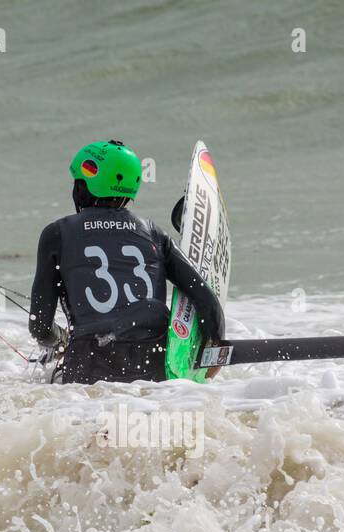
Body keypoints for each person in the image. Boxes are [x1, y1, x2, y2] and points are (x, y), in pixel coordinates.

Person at [28, 139, 224, 384]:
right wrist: (215, 349)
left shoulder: (56, 234)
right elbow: (206, 299)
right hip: (156, 365)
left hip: (87, 368)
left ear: (83, 187)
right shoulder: (154, 233)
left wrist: (61, 339)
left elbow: (39, 326)